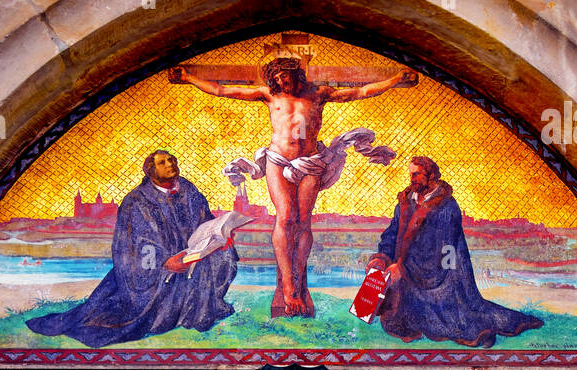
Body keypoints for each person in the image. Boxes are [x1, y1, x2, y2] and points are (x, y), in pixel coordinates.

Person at [172, 49, 411, 317]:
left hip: (310, 162)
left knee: (302, 221)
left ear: (295, 74)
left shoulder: (318, 94)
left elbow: (361, 92)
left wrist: (395, 79)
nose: (281, 82)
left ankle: (298, 282)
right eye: (277, 78)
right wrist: (190, 78)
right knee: (285, 219)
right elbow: (222, 90)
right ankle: (288, 286)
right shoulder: (270, 95)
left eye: (284, 76)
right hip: (278, 160)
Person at [27, 151, 237, 346]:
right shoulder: (136, 201)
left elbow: (204, 219)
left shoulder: (188, 189)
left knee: (225, 255)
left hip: (191, 254)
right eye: (162, 163)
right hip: (152, 269)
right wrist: (166, 261)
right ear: (150, 171)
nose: (170, 164)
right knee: (124, 314)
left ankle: (199, 311)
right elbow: (136, 244)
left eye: (172, 160)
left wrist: (220, 234)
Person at [367, 156, 544, 346]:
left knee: (456, 323)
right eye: (410, 174)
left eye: (416, 174)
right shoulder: (405, 203)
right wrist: (382, 259)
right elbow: (392, 234)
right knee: (395, 316)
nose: (412, 179)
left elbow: (443, 247)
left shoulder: (446, 206)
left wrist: (403, 268)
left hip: (443, 274)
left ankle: (484, 332)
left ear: (431, 175)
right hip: (408, 271)